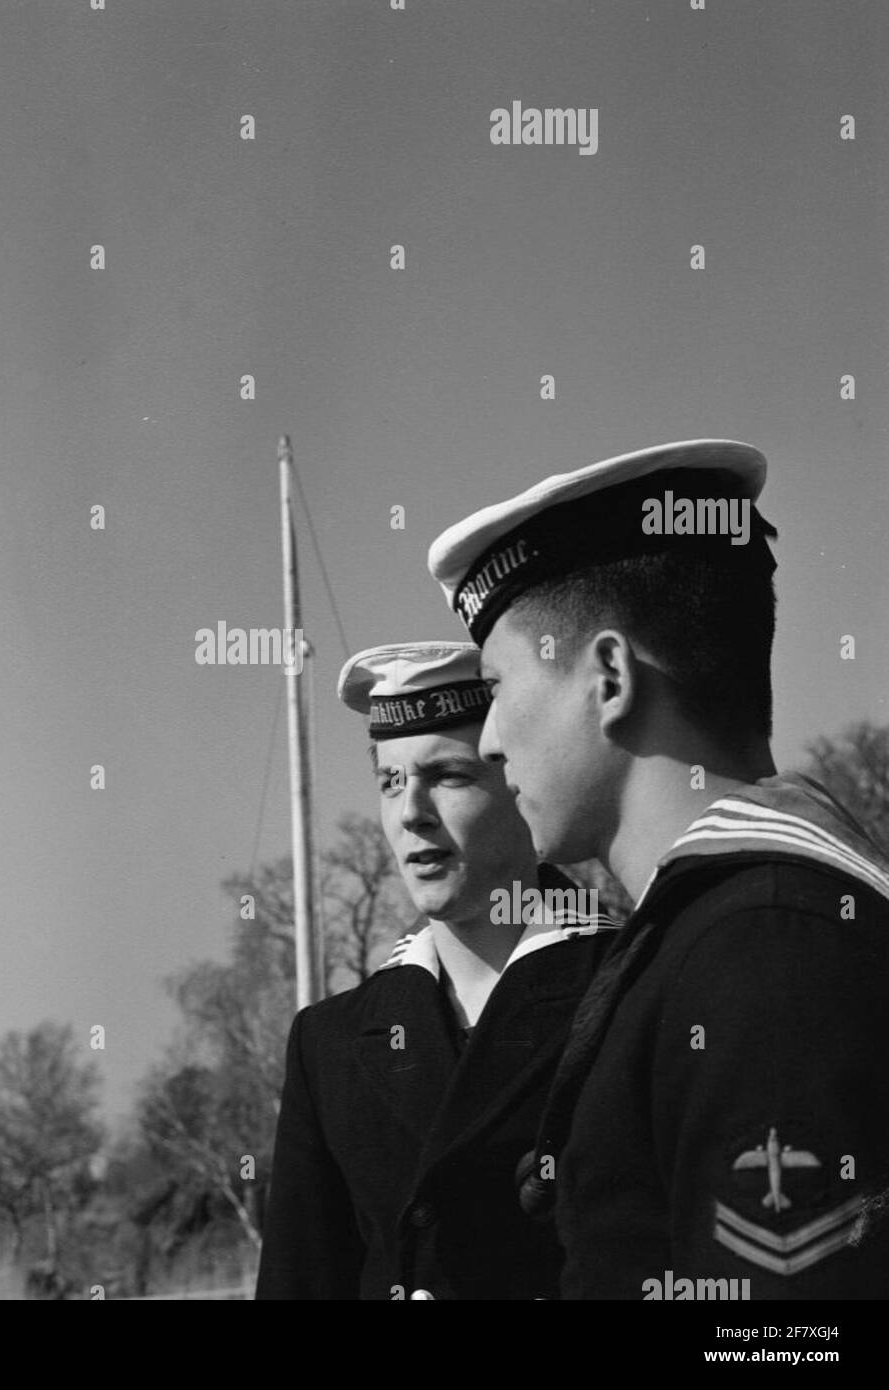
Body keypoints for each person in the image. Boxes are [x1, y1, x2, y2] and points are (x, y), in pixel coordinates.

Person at [428, 438, 889, 1298]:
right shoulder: (725, 935)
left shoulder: (762, 953)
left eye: (494, 687)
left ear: (607, 676)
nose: (487, 742)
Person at [255, 641, 620, 1300]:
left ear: (521, 784)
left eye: (448, 775)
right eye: (390, 781)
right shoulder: (329, 1043)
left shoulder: (631, 990)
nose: (408, 812)